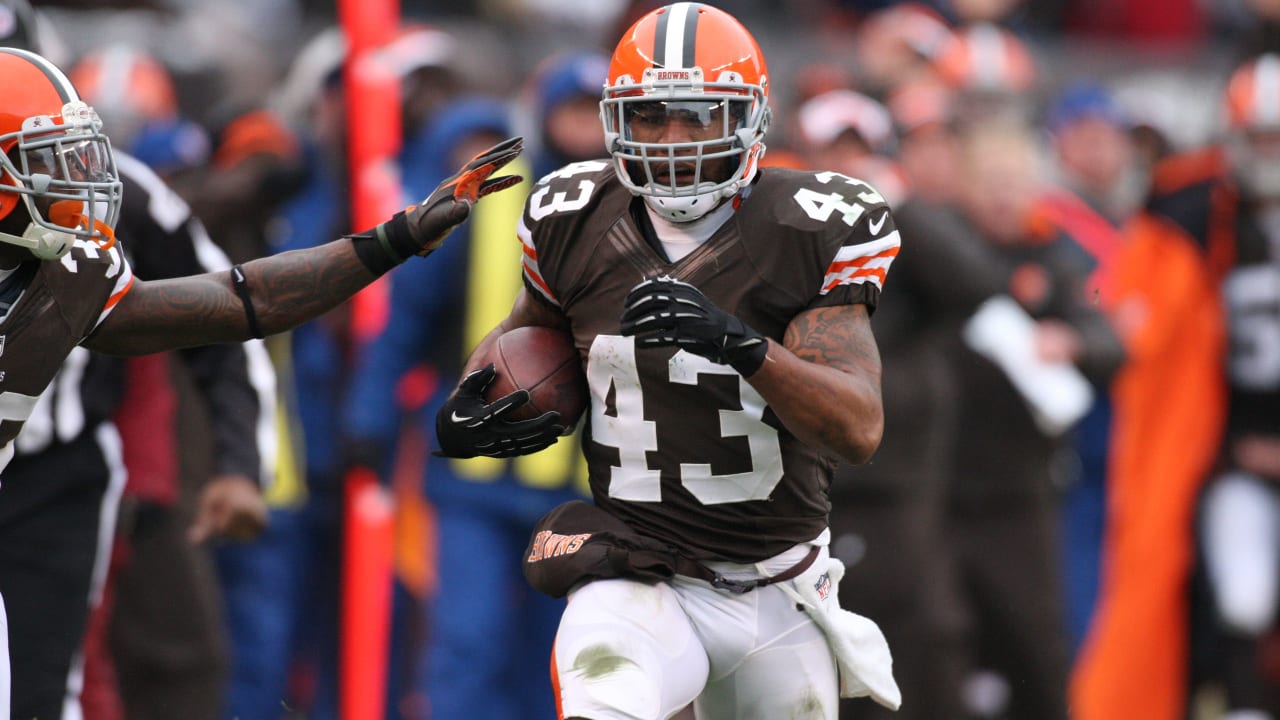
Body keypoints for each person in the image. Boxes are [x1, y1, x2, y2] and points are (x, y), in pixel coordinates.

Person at [0, 45, 526, 720]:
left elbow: (240, 302)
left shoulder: (68, 275)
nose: (73, 179)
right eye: (41, 160)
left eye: (71, 154)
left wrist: (390, 241)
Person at [432, 4, 902, 718]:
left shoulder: (808, 227)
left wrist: (743, 347)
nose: (673, 139)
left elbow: (858, 429)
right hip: (639, 569)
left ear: (749, 119)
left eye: (699, 115)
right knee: (604, 700)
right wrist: (474, 396)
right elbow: (525, 331)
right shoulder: (570, 215)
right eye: (651, 116)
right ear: (617, 118)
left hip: (778, 585)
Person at [343, 95, 589, 720]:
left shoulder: (632, 216)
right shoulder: (494, 204)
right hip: (472, 475)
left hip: (580, 486)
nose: (583, 124)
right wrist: (368, 416)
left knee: (565, 656)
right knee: (466, 642)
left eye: (596, 110)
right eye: (574, 107)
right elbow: (407, 315)